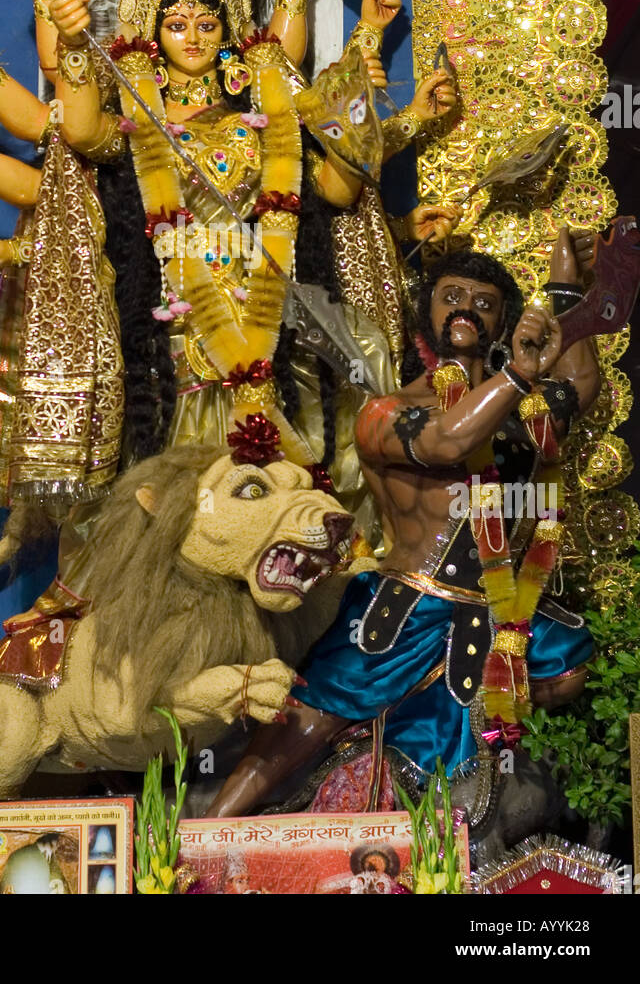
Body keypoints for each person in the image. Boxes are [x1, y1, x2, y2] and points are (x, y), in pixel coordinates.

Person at [0, 0, 458, 519]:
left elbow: (338, 170)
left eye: (206, 21)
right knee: (175, 512)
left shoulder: (268, 124)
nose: (194, 34)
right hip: (173, 344)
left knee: (293, 498)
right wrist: (58, 36)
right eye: (177, 22)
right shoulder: (136, 127)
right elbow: (67, 135)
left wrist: (385, 78)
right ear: (153, 35)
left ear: (230, 33)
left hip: (271, 327)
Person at [207, 232, 600, 817]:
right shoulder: (389, 411)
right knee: (304, 726)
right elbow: (449, 441)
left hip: (495, 607)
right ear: (428, 311)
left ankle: (436, 801)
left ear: (502, 322)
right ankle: (205, 835)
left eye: (485, 302)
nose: (466, 308)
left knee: (570, 666)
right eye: (452, 295)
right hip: (403, 607)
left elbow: (579, 390)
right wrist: (517, 376)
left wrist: (568, 288)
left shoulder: (524, 411)